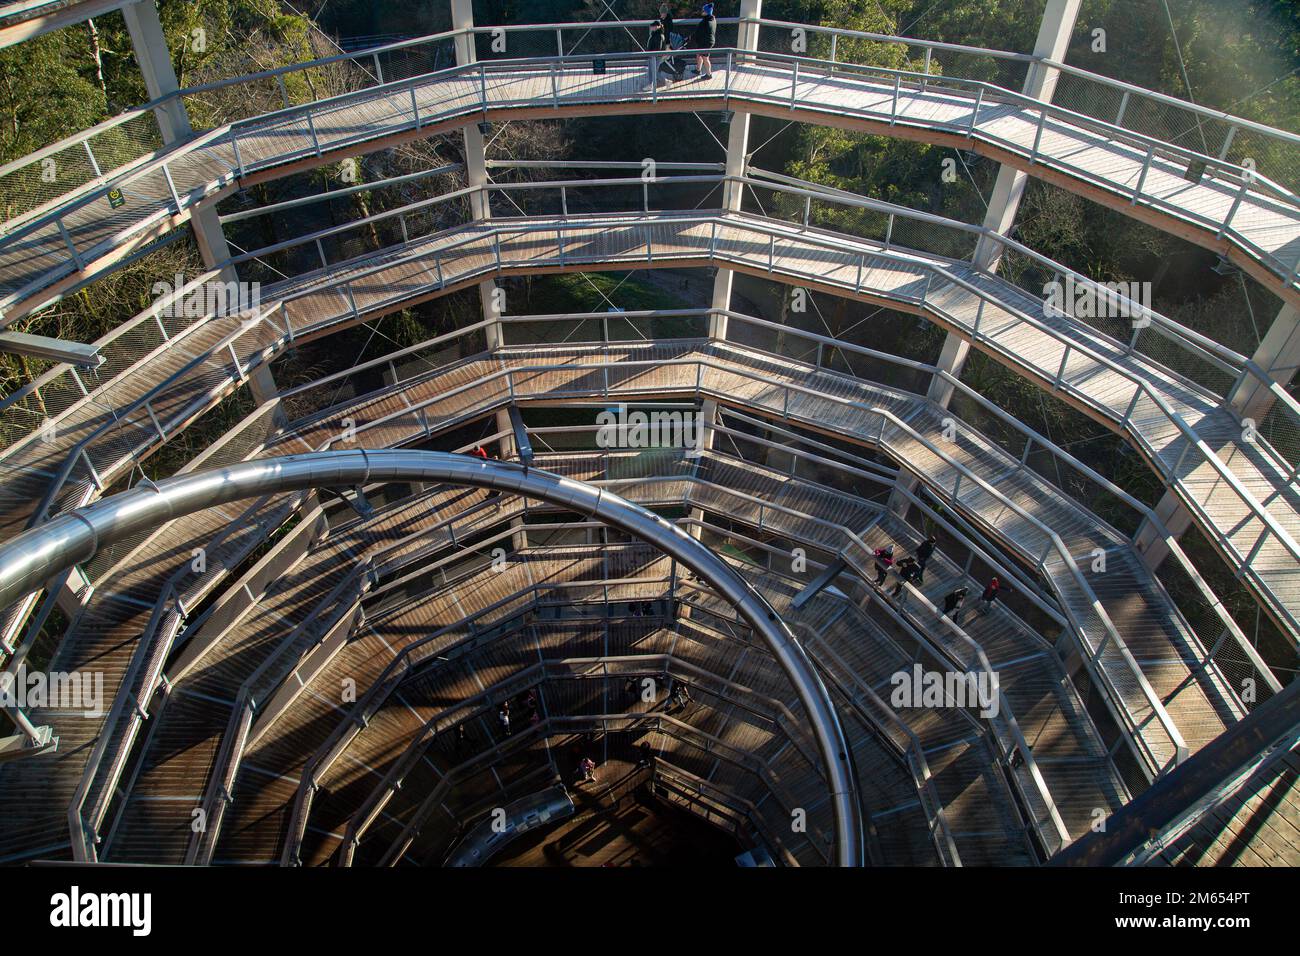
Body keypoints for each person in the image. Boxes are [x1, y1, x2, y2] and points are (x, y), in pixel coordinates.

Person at [692, 3, 716, 80]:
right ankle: (698, 69)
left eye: (703, 10)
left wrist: (694, 38)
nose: (702, 11)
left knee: (705, 58)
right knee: (699, 54)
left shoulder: (705, 22)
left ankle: (709, 74)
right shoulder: (712, 19)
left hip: (706, 42)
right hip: (707, 41)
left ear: (706, 12)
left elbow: (700, 33)